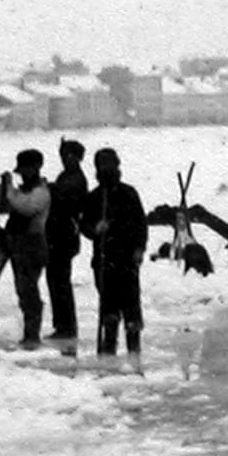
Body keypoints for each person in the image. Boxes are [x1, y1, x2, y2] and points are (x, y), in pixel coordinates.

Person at [87, 147, 149, 357]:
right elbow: (84, 225)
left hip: (127, 260)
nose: (107, 170)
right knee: (109, 310)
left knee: (131, 308)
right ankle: (109, 351)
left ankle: (134, 351)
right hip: (104, 261)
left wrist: (139, 249)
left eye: (110, 165)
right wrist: (96, 229)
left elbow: (141, 224)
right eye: (102, 166)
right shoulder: (94, 197)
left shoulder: (128, 193)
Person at [0, 148, 54, 348]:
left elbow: (25, 207)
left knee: (29, 290)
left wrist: (10, 190)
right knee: (23, 289)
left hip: (33, 244)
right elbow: (3, 207)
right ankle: (29, 331)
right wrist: (3, 189)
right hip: (19, 245)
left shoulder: (41, 192)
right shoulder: (22, 192)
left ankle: (32, 333)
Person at [45, 139, 90, 354]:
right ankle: (62, 324)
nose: (64, 159)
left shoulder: (75, 179)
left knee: (60, 281)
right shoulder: (68, 177)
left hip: (64, 237)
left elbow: (64, 200)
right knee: (56, 281)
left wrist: (50, 190)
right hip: (58, 236)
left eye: (67, 155)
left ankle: (66, 326)